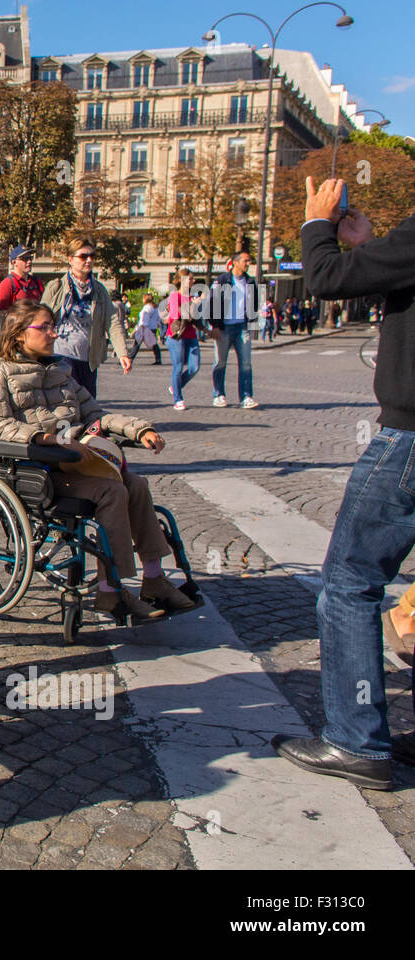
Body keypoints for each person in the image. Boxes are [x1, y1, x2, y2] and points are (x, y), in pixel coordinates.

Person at [272, 176, 415, 787]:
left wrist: (316, 224)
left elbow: (328, 280)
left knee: (352, 580)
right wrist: (372, 244)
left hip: (411, 433)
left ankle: (356, 739)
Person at [0, 300, 197, 620]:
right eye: (45, 328)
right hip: (37, 470)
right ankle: (111, 591)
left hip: (77, 461)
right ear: (20, 334)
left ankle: (154, 578)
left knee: (135, 484)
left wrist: (139, 430)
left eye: (54, 326)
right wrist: (46, 439)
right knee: (113, 492)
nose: (54, 333)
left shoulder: (61, 370)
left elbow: (96, 416)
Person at [39, 237, 131, 397]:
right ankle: (66, 424)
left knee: (88, 404)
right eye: (83, 256)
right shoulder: (56, 287)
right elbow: (41, 319)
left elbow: (112, 322)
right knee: (67, 403)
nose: (88, 260)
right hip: (61, 354)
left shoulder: (99, 290)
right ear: (70, 259)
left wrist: (122, 352)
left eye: (92, 256)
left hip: (89, 358)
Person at [205, 250, 260, 408]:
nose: (248, 264)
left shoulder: (249, 282)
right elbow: (212, 303)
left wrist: (251, 317)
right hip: (223, 327)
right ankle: (219, 394)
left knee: (246, 363)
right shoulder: (222, 280)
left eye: (249, 261)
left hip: (242, 326)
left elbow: (255, 302)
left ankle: (246, 396)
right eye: (246, 261)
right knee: (220, 362)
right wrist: (214, 325)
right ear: (235, 262)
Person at [165, 269, 201, 411]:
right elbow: (176, 314)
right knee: (178, 367)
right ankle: (178, 399)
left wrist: (207, 330)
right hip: (176, 336)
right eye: (190, 279)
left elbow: (196, 319)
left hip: (191, 335)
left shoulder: (192, 297)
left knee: (194, 367)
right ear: (182, 280)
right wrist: (192, 304)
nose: (193, 281)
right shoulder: (175, 296)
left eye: (193, 279)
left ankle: (175, 387)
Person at [0, 245, 44, 313]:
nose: (29, 261)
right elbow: (1, 313)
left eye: (30, 258)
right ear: (14, 262)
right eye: (25, 258)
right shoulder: (7, 284)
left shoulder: (37, 282)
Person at [126, 293, 162, 365]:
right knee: (153, 343)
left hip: (145, 328)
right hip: (153, 327)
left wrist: (138, 328)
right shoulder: (155, 307)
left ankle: (131, 357)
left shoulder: (147, 308)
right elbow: (158, 318)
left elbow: (144, 319)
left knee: (137, 342)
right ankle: (158, 358)